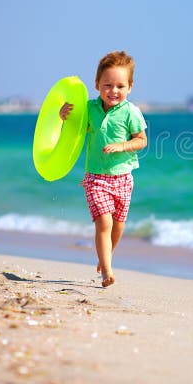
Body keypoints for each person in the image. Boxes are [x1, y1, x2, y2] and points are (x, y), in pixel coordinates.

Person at [60, 51, 148, 287]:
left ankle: (105, 256)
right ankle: (106, 271)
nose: (113, 91)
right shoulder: (89, 109)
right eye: (107, 85)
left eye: (120, 85)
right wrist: (62, 115)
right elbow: (72, 131)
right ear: (97, 85)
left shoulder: (131, 112)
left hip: (123, 178)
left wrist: (122, 146)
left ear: (130, 87)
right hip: (96, 177)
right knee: (104, 224)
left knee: (118, 226)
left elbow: (141, 140)